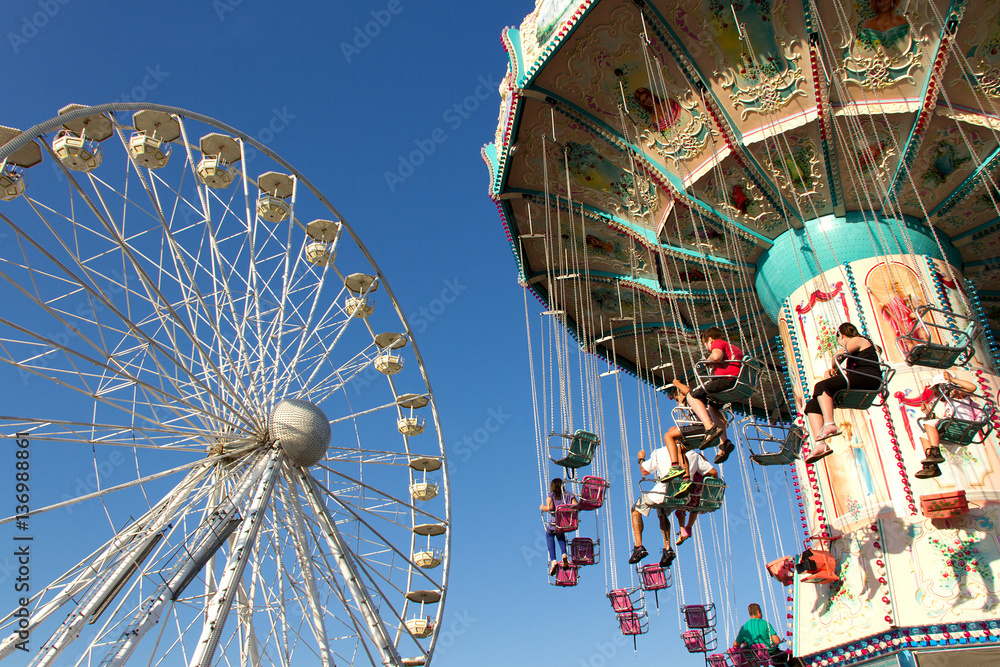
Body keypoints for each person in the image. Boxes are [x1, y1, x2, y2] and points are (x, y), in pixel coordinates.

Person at [805, 323, 882, 464]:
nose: (839, 343)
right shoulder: (856, 352)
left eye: (839, 340)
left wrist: (834, 364)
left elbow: (837, 358)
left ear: (841, 335)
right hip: (859, 379)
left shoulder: (859, 340)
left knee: (821, 386)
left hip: (868, 378)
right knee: (812, 404)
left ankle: (830, 424)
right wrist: (834, 373)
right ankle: (820, 444)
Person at [685, 327, 739, 463]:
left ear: (710, 340)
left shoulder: (718, 343)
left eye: (706, 346)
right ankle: (724, 444)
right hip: (734, 382)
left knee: (691, 396)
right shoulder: (734, 349)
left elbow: (716, 356)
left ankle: (709, 427)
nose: (708, 348)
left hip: (726, 380)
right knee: (713, 407)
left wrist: (708, 361)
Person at [916, 371, 981, 479]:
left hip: (962, 421)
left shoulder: (957, 394)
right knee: (924, 436)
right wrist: (927, 412)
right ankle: (933, 466)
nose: (937, 392)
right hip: (952, 423)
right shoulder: (947, 402)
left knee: (928, 423)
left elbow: (972, 387)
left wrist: (953, 380)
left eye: (938, 388)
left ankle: (935, 452)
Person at [628, 444, 679, 567]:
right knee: (661, 513)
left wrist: (641, 459)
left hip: (663, 491)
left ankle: (638, 547)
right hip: (677, 493)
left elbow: (644, 471)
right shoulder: (687, 452)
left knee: (635, 510)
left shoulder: (660, 452)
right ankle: (667, 547)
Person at [673, 447, 718, 546]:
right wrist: (712, 488)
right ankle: (688, 527)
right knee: (695, 506)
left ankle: (682, 528)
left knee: (679, 506)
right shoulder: (695, 456)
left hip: (684, 496)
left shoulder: (674, 458)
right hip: (697, 497)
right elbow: (714, 473)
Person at [540, 478, 577, 575]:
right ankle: (564, 555)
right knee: (560, 535)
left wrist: (542, 507)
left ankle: (553, 560)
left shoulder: (551, 496)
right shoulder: (569, 495)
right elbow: (576, 506)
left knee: (549, 534)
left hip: (555, 524)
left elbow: (550, 508)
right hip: (566, 523)